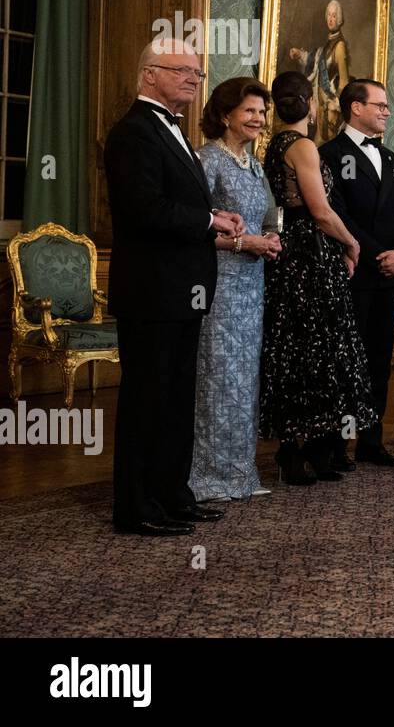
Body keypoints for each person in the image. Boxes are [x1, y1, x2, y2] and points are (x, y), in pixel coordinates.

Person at [105, 37, 244, 536]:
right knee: (147, 399)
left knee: (176, 398)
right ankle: (136, 507)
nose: (193, 78)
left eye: (197, 73)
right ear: (149, 75)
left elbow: (178, 205)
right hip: (151, 290)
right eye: (182, 70)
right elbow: (144, 210)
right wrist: (209, 221)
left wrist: (212, 219)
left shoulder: (174, 131)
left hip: (184, 289)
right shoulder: (133, 133)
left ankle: (172, 493)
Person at [260, 71, 376, 485]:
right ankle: (307, 452)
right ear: (310, 103)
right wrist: (352, 243)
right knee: (323, 354)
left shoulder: (272, 145)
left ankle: (304, 452)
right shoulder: (303, 145)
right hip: (311, 257)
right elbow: (321, 211)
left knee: (298, 353)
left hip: (288, 258)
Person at [190, 77, 282, 502]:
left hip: (252, 285)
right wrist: (247, 243)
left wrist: (269, 239)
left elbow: (266, 219)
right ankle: (208, 478)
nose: (258, 119)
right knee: (218, 378)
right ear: (225, 114)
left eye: (262, 112)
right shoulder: (207, 160)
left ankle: (239, 475)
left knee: (245, 379)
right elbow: (196, 230)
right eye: (249, 111)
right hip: (219, 285)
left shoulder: (255, 164)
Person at [318, 78, 394, 468]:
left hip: (390, 277)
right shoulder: (327, 153)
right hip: (354, 274)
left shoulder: (390, 158)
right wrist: (379, 254)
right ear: (356, 108)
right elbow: (339, 216)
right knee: (345, 363)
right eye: (380, 105)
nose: (387, 112)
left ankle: (371, 442)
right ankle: (338, 447)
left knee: (378, 362)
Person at [288, 0, 349, 144]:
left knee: (324, 145)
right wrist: (300, 55)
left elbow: (344, 81)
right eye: (329, 15)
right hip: (320, 105)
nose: (331, 19)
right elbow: (315, 59)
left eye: (334, 15)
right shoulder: (327, 44)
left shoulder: (339, 46)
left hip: (330, 107)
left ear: (339, 19)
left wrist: (336, 105)